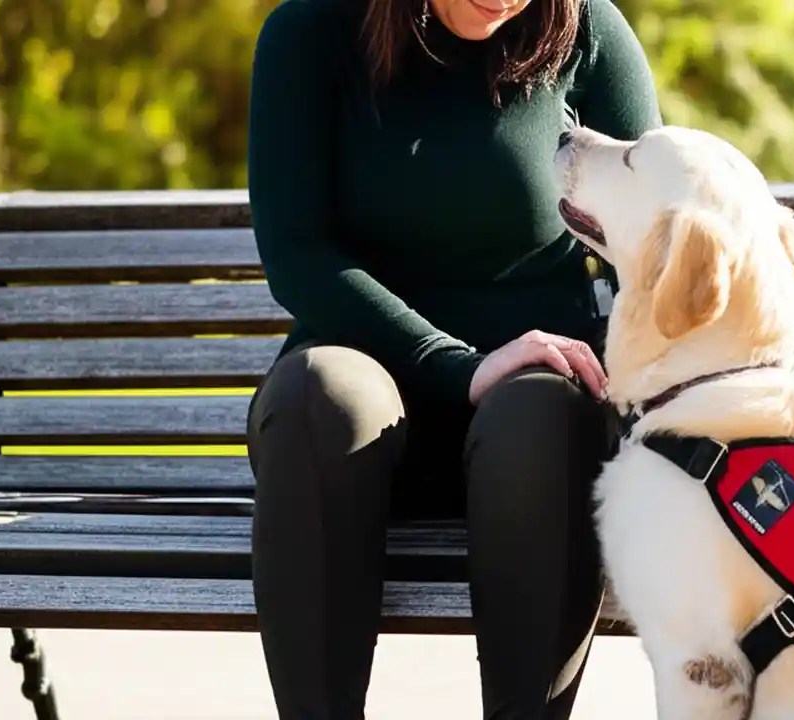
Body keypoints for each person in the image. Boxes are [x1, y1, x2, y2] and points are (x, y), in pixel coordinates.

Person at [244, 0, 662, 717]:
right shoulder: (310, 33)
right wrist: (459, 366)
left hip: (536, 446)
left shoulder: (586, 29)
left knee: (543, 409)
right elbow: (298, 257)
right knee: (319, 392)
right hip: (354, 438)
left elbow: (651, 246)